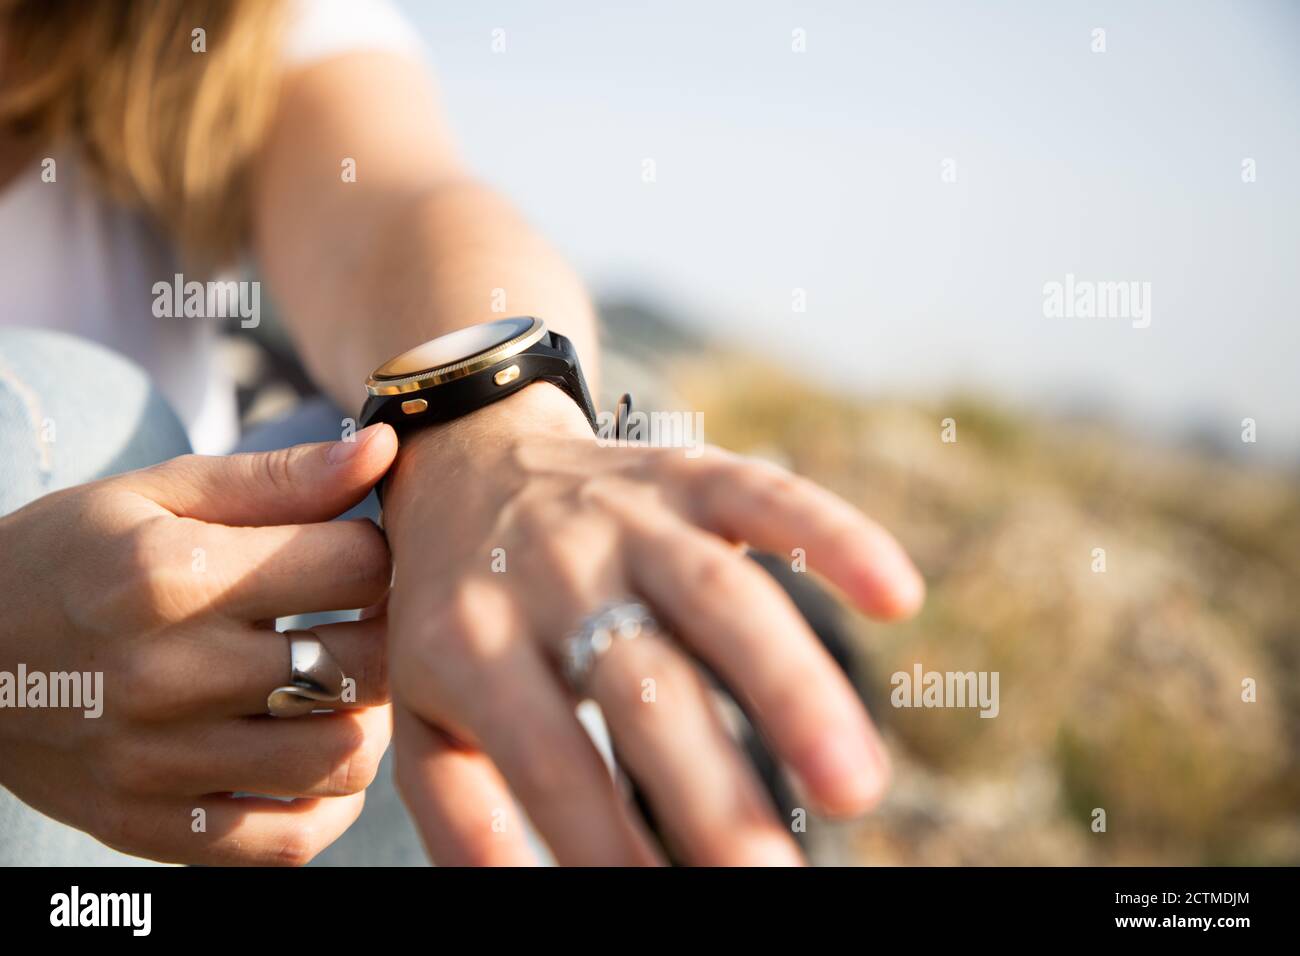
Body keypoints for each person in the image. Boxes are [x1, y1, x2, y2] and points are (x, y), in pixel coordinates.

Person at [0, 0, 924, 866]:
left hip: (238, 697)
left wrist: (499, 448)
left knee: (441, 547)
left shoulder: (195, 25)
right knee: (55, 413)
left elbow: (393, 207)